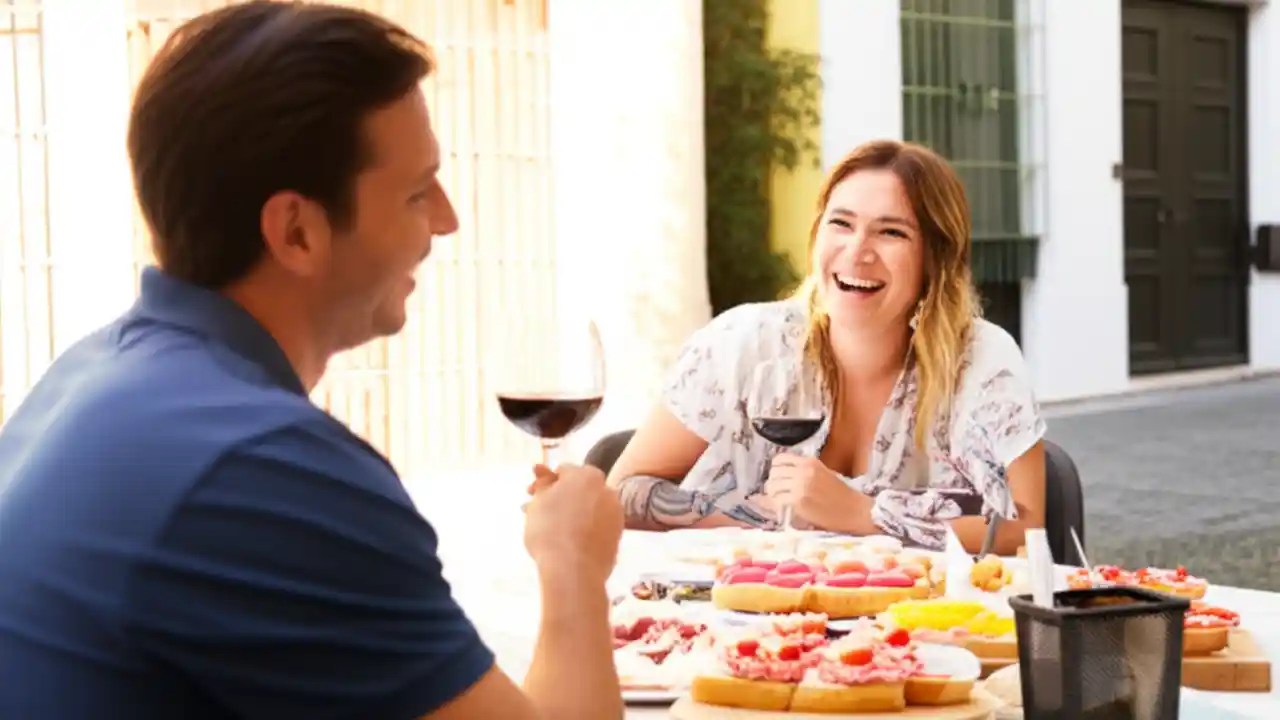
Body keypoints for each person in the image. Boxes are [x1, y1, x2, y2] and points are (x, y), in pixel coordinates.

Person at [0, 3, 623, 719]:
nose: (447, 220)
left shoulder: (92, 376)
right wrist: (572, 566)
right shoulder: (262, 464)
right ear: (296, 230)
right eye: (418, 191)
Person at [607, 140, 1046, 555]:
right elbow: (623, 491)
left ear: (936, 259)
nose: (857, 252)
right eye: (841, 223)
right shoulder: (743, 343)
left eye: (891, 232)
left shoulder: (982, 360)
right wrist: (766, 517)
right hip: (732, 613)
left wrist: (864, 514)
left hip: (913, 621)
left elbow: (1027, 528)